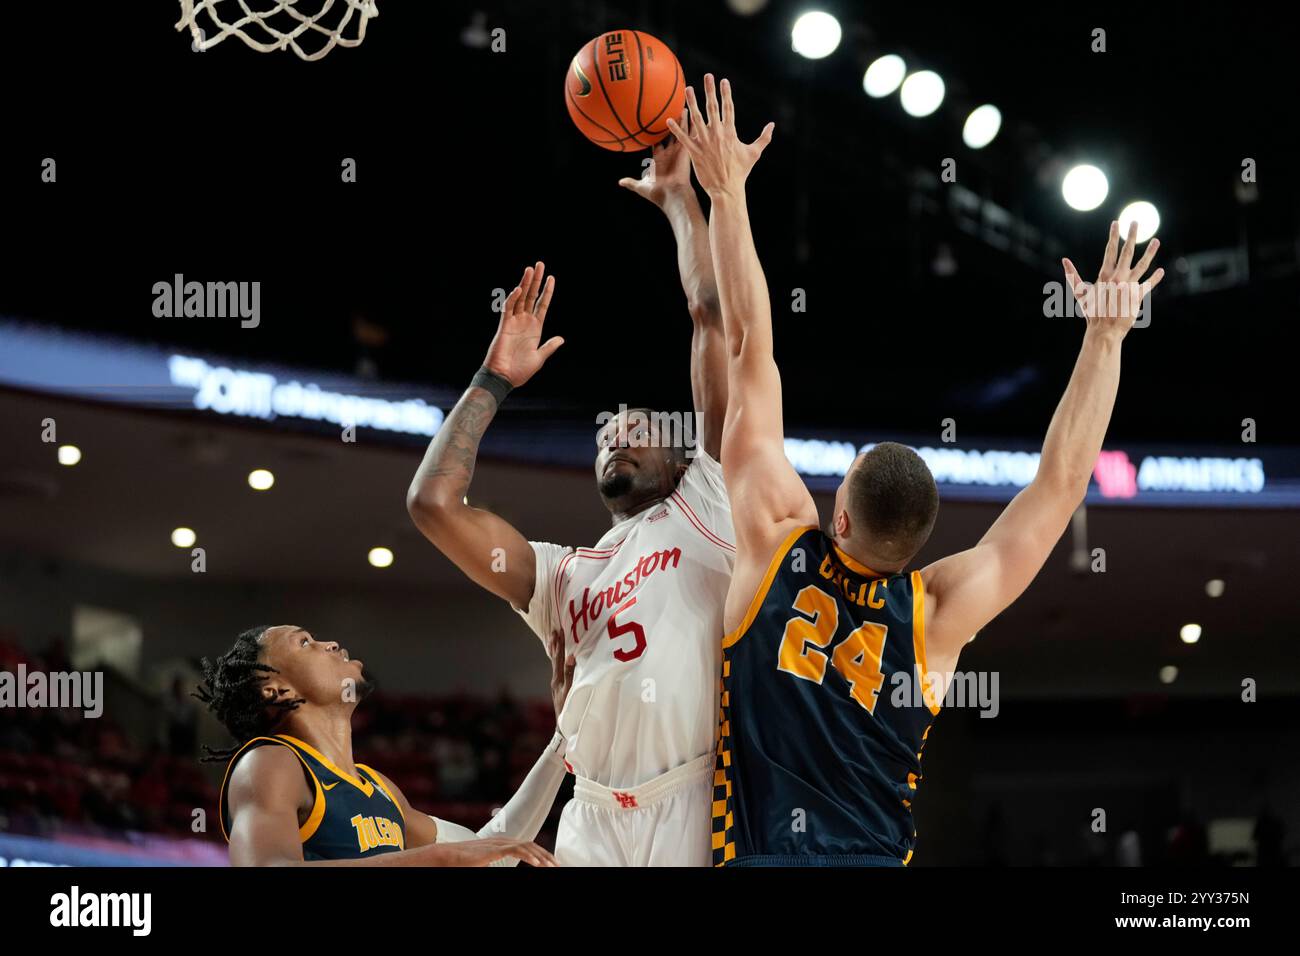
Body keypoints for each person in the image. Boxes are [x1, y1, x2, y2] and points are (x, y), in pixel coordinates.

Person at [667, 74, 1165, 866]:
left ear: (837, 518)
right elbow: (1062, 484)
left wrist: (728, 194)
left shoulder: (772, 541)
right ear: (922, 540)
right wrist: (1104, 341)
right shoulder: (938, 609)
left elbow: (747, 345)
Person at [406, 161, 736, 865]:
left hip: (689, 798)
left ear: (683, 456)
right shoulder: (562, 575)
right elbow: (433, 504)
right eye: (606, 432)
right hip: (588, 814)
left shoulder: (709, 496)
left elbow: (712, 315)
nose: (616, 432)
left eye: (638, 426)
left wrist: (681, 198)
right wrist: (492, 380)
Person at [198, 625, 567, 866]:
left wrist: (562, 738)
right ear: (278, 690)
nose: (331, 643)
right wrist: (435, 859)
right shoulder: (271, 763)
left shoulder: (381, 789)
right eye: (305, 642)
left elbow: (493, 856)